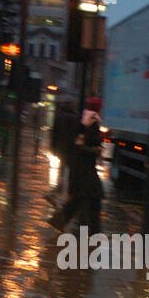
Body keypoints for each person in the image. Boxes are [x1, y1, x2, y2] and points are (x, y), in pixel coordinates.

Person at [50, 96, 104, 234]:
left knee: (84, 196)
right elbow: (85, 140)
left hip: (81, 165)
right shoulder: (91, 119)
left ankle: (61, 221)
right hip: (85, 165)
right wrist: (96, 148)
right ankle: (93, 230)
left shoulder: (85, 117)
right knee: (93, 196)